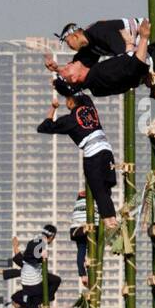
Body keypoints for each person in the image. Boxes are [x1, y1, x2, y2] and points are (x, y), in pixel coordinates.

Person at [38, 92, 118, 230]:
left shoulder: (69, 120)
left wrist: (53, 107)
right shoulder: (90, 108)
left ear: (70, 102)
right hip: (107, 151)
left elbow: (44, 127)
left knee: (98, 190)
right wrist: (64, 84)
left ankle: (109, 223)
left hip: (93, 155)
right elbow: (82, 93)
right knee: (105, 190)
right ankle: (113, 220)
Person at [69, 189, 88, 285]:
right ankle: (88, 265)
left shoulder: (77, 204)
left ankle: (83, 274)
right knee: (92, 248)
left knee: (81, 250)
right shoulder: (91, 203)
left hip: (75, 230)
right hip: (86, 228)